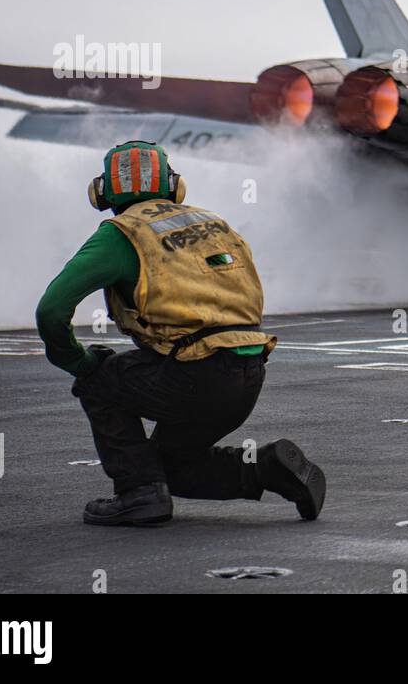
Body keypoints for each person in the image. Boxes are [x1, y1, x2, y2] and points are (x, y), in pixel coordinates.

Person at [35, 140, 325, 526]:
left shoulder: (122, 234)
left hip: (194, 374)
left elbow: (51, 310)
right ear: (175, 185)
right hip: (249, 373)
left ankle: (138, 494)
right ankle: (269, 467)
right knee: (170, 467)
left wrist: (78, 361)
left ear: (101, 191)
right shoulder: (215, 224)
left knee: (98, 381)